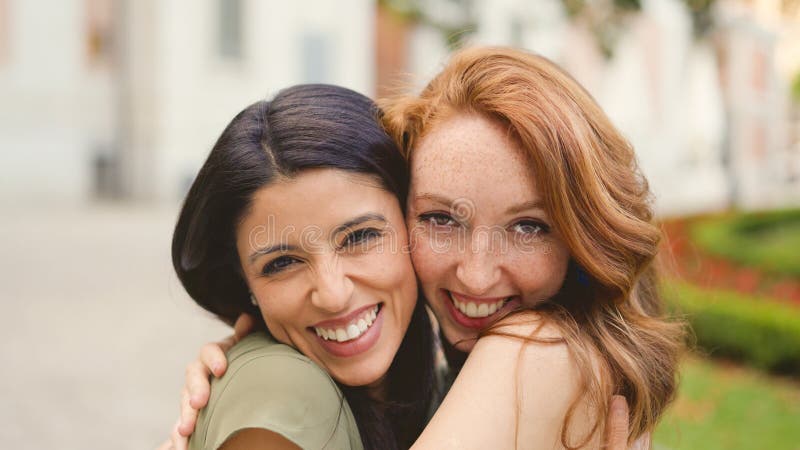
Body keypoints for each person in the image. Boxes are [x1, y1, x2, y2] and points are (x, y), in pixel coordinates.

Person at [168, 47, 682, 449]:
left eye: (529, 227)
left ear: (584, 233)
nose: (476, 277)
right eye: (440, 219)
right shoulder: (401, 378)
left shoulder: (537, 351)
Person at [169, 84, 436, 450]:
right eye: (282, 262)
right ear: (244, 281)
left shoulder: (441, 380)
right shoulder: (283, 393)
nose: (333, 295)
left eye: (359, 237)